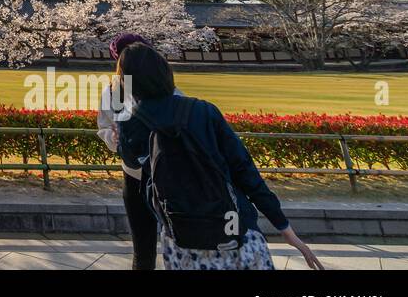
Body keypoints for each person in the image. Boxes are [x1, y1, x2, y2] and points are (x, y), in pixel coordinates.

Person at [116, 43, 323, 271]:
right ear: (165, 72)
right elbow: (244, 170)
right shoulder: (203, 111)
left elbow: (132, 162)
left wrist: (122, 109)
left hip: (180, 236)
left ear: (127, 83)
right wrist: (285, 228)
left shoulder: (131, 124)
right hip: (234, 228)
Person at [96, 33, 157, 269]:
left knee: (145, 250)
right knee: (146, 248)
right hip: (141, 176)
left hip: (148, 175)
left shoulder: (113, 92)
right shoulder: (113, 93)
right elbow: (105, 129)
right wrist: (115, 137)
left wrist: (115, 138)